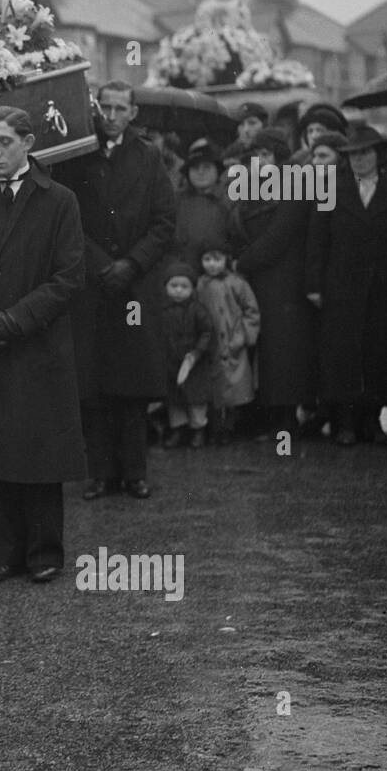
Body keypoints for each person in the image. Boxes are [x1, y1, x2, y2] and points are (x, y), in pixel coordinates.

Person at [0, 106, 85, 582]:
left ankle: (44, 553)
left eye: (5, 141)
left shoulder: (58, 199)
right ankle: (0, 553)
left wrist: (12, 320)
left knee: (37, 447)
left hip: (34, 343)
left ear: (28, 142)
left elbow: (68, 278)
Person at [62, 80, 175, 500]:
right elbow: (68, 217)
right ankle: (99, 472)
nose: (110, 116)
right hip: (92, 285)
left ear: (133, 113)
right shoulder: (77, 155)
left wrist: (130, 264)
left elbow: (164, 221)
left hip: (134, 286)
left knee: (132, 383)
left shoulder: (148, 157)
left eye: (119, 109)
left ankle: (134, 471)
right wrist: (99, 264)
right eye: (104, 108)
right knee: (94, 384)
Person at [305, 125, 387, 445]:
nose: (360, 160)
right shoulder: (332, 190)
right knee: (342, 354)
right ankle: (344, 422)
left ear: (378, 155)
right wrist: (314, 284)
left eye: (366, 153)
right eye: (354, 154)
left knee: (378, 353)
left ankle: (372, 421)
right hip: (340, 286)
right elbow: (317, 240)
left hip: (382, 288)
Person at [229, 126, 318, 439]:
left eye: (265, 154)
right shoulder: (256, 184)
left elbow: (278, 236)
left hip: (283, 278)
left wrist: (242, 262)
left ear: (280, 155)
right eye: (255, 155)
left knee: (283, 350)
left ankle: (284, 419)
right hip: (262, 277)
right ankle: (266, 415)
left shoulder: (295, 183)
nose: (259, 160)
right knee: (266, 348)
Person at [196, 242, 259, 444]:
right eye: (207, 260)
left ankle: (229, 427)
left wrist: (243, 336)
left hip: (233, 342)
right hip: (211, 344)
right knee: (213, 388)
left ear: (226, 260)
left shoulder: (237, 283)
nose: (212, 265)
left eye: (217, 259)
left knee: (233, 387)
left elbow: (251, 311)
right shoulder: (200, 284)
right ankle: (215, 427)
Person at [159, 261, 215, 449]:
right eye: (174, 286)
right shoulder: (163, 311)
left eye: (184, 286)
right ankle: (178, 429)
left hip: (194, 363)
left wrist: (198, 351)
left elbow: (207, 332)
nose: (178, 291)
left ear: (192, 288)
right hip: (171, 363)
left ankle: (198, 430)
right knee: (175, 401)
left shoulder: (197, 310)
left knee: (196, 401)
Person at [170, 138, 231, 269]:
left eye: (207, 167)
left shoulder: (229, 203)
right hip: (179, 277)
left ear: (217, 171)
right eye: (195, 167)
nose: (201, 172)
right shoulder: (175, 201)